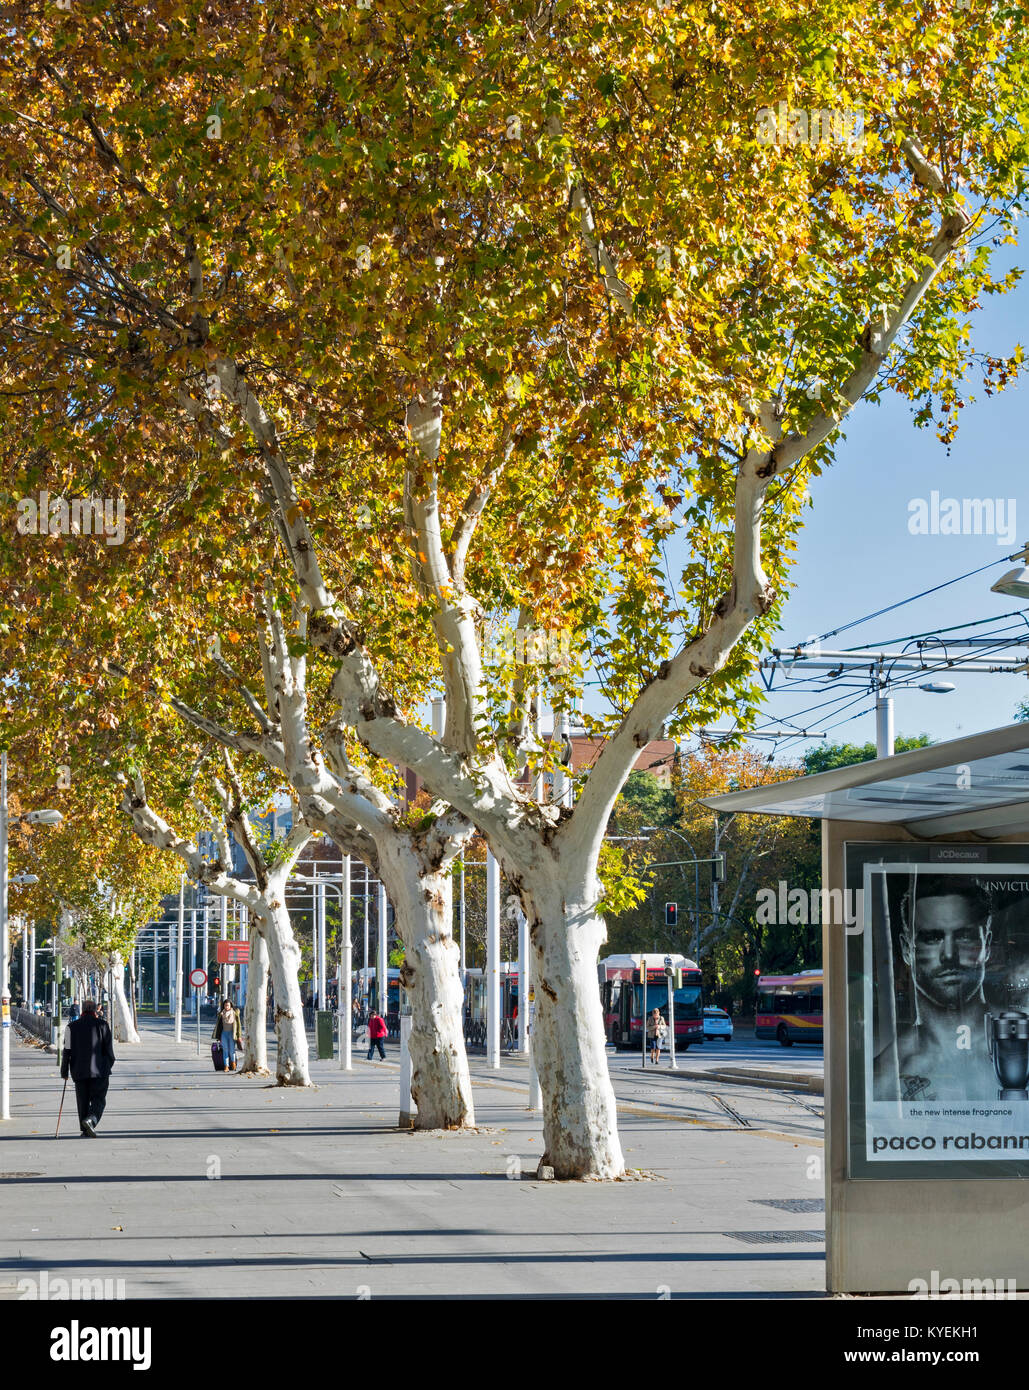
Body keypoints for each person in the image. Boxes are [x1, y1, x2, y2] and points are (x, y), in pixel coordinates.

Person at [61, 999, 116, 1137]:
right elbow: (109, 1050)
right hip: (99, 1070)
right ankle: (91, 1119)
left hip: (79, 1070)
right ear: (95, 1011)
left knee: (82, 1101)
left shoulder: (70, 1027)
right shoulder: (103, 1025)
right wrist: (108, 1065)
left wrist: (64, 1070)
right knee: (99, 1099)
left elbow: (66, 1050)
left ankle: (85, 1129)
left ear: (82, 1010)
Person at [213, 997, 242, 1072]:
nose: (226, 1007)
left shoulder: (235, 1013)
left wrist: (239, 1036)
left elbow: (238, 1025)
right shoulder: (221, 1014)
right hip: (224, 1034)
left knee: (231, 1050)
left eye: (228, 1005)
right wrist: (218, 1036)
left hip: (232, 1034)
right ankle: (226, 1066)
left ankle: (233, 1063)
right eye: (225, 1005)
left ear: (231, 1006)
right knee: (225, 1050)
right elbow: (219, 1026)